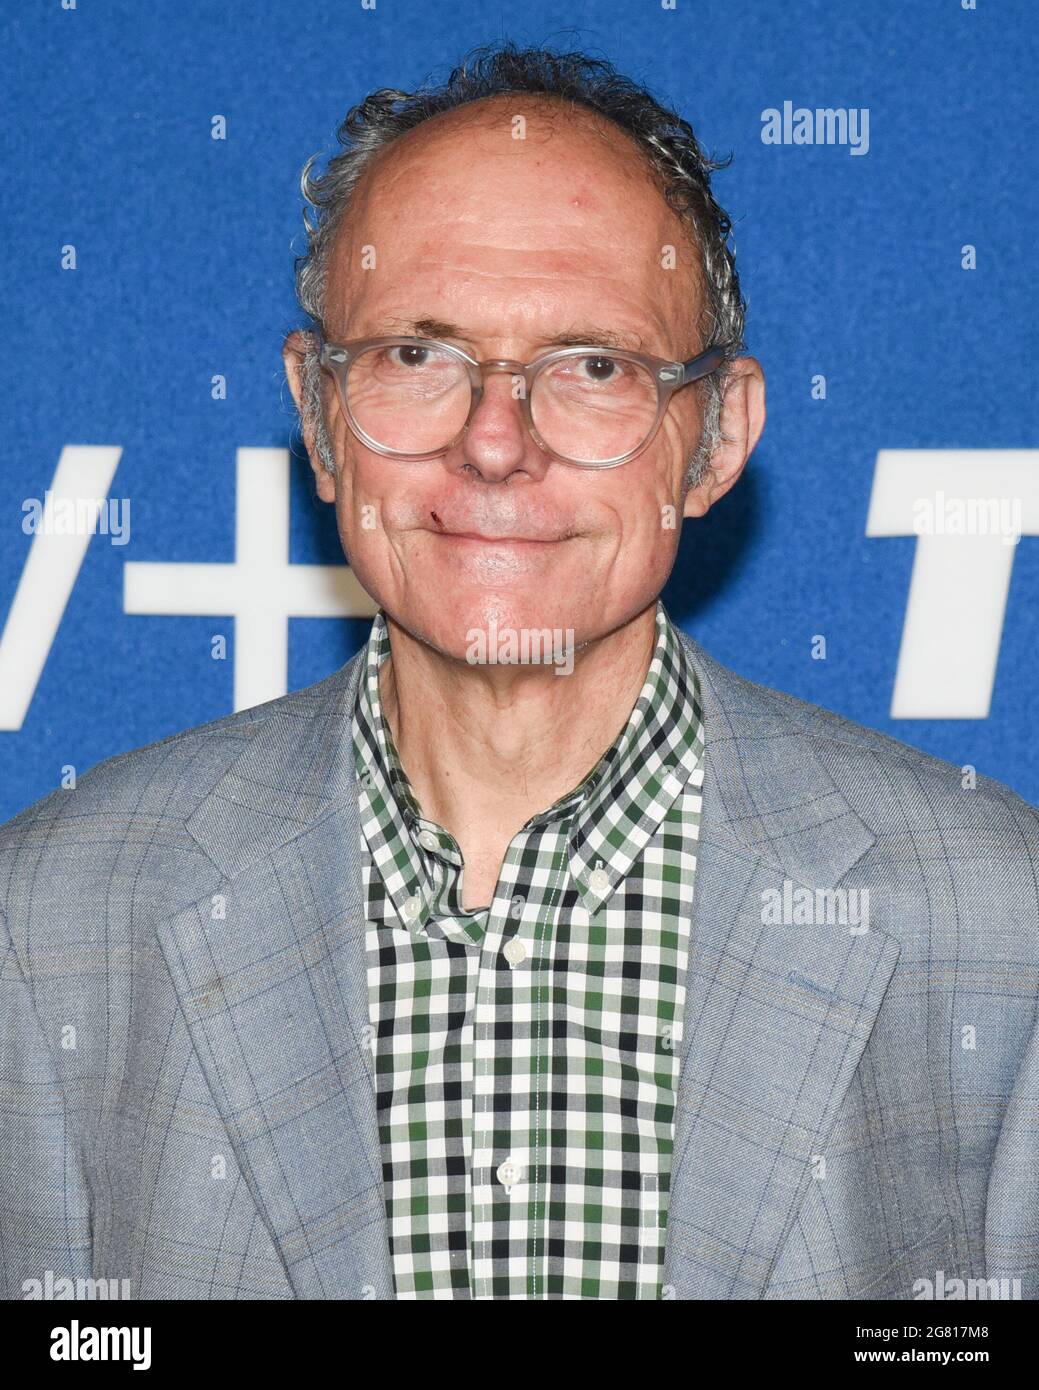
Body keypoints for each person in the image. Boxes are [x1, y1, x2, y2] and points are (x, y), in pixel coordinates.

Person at [1, 44, 1036, 1301]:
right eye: (417, 358)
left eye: (592, 367)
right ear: (321, 416)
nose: (495, 444)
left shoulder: (994, 924)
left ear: (714, 439)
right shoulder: (53, 918)